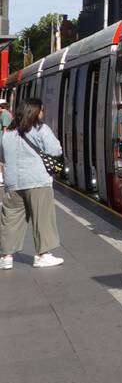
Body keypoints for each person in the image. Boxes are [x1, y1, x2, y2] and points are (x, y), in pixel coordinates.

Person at [0, 96, 64, 268]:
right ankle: (43, 255)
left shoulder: (8, 134)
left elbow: (3, 156)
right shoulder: (41, 129)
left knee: (10, 219)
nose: (43, 113)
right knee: (42, 218)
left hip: (12, 183)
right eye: (42, 110)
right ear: (35, 111)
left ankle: (6, 257)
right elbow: (56, 150)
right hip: (37, 181)